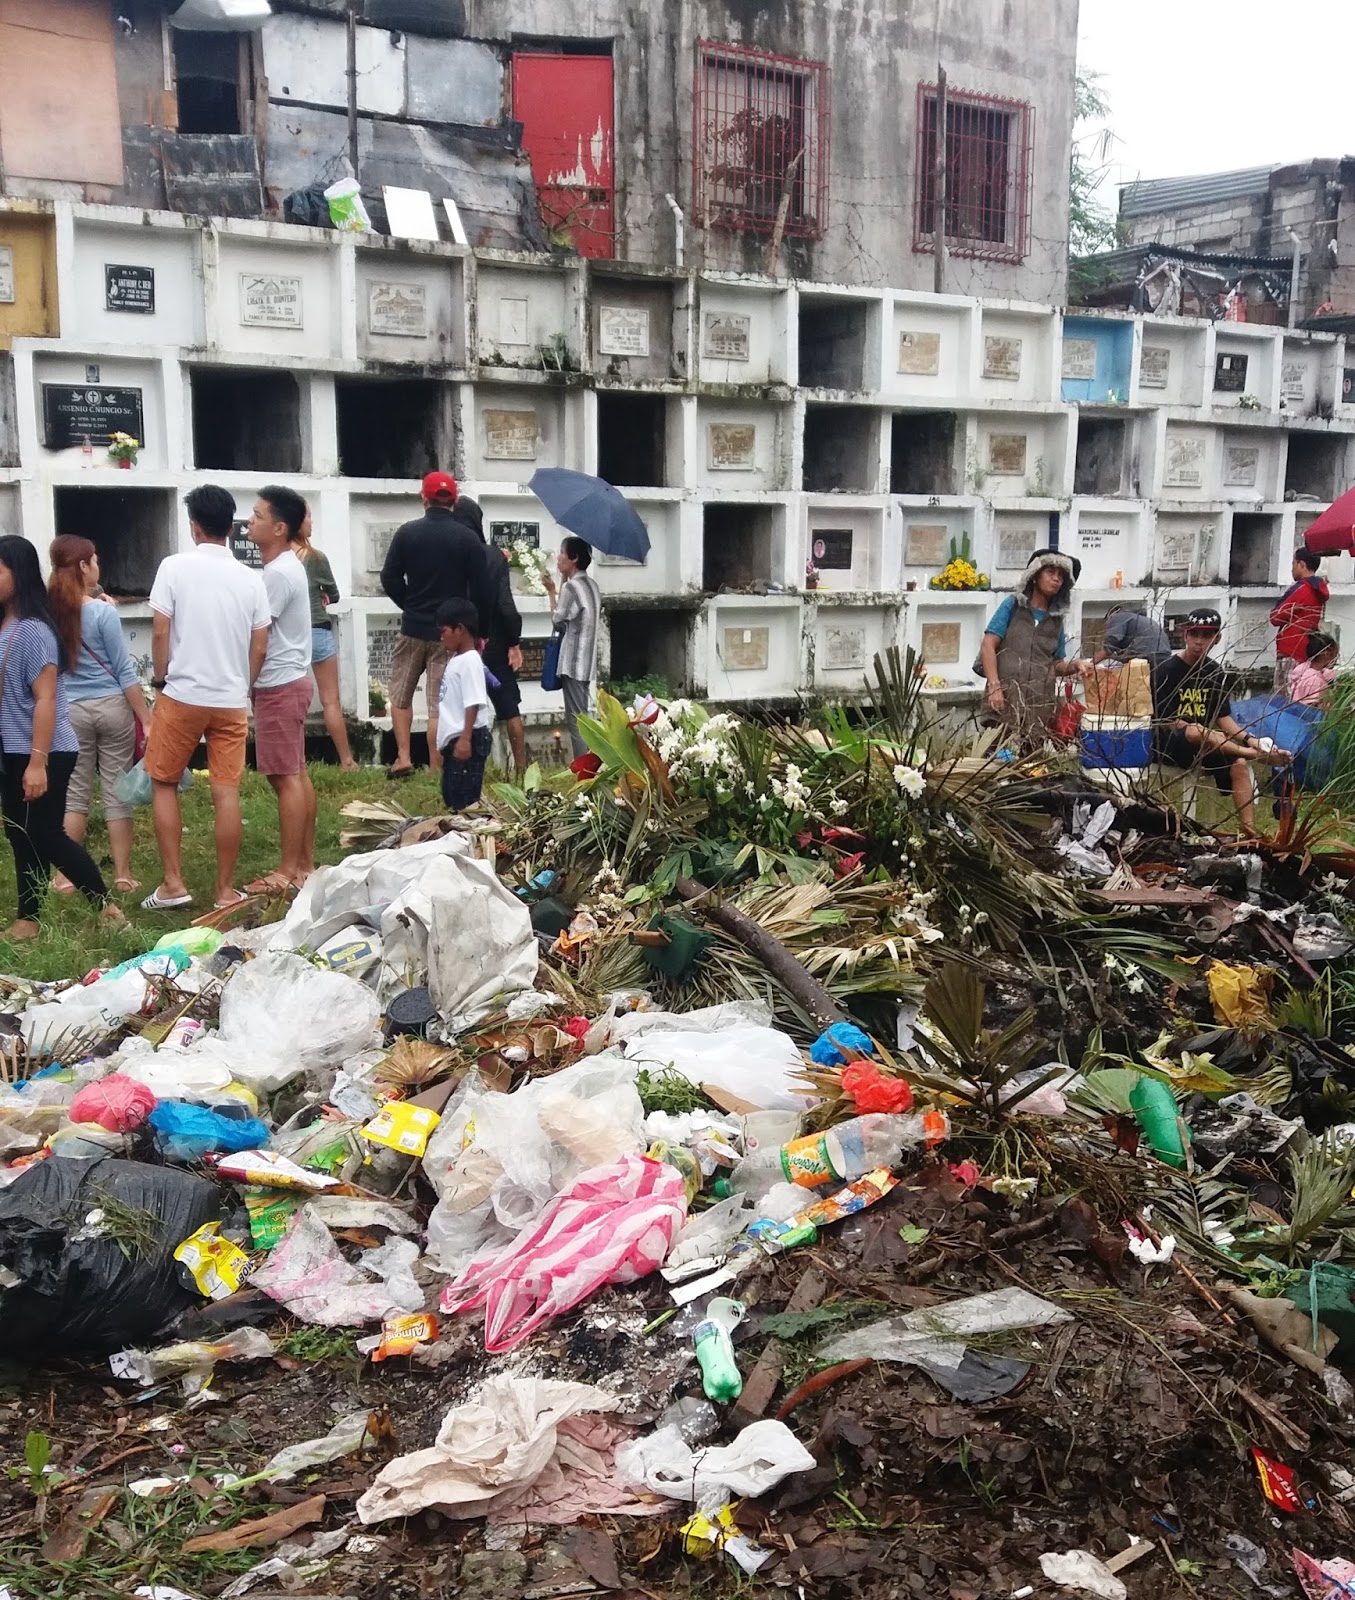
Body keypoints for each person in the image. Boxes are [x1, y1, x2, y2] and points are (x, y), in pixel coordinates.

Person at [141, 484, 270, 912]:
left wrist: (160, 681)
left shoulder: (174, 568)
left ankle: (174, 883)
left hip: (181, 693)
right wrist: (242, 685)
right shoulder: (251, 580)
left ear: (194, 526)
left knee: (163, 782)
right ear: (230, 527)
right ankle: (224, 891)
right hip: (230, 698)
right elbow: (260, 646)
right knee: (226, 790)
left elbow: (160, 631)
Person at [0, 536, 121, 940]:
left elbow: (46, 699)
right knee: (20, 832)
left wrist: (38, 761)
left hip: (45, 749)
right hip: (14, 748)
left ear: (18, 574)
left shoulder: (33, 631)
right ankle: (28, 919)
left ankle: (106, 907)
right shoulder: (7, 627)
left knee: (45, 833)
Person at [46, 535, 150, 895]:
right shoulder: (103, 612)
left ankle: (63, 878)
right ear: (84, 567)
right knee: (116, 791)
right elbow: (124, 671)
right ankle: (123, 875)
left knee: (74, 794)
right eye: (95, 560)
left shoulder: (48, 613)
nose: (98, 566)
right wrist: (147, 719)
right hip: (112, 708)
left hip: (70, 711)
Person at [380, 471, 493, 778]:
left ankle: (403, 757)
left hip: (413, 627)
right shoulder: (468, 539)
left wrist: (410, 604)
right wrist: (478, 632)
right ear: (454, 502)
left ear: (424, 498)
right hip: (451, 634)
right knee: (438, 704)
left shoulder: (407, 533)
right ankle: (434, 767)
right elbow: (482, 590)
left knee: (400, 694)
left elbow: (389, 578)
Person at [1151, 607, 1291, 836]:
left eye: (1206, 635)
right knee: (1195, 730)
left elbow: (1223, 718)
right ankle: (1254, 756)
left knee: (1238, 764)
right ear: (1185, 635)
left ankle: (1249, 833)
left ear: (1217, 638)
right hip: (1169, 742)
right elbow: (1168, 721)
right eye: (1194, 634)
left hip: (1206, 742)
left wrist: (1250, 739)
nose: (1198, 641)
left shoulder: (1214, 673)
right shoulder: (1166, 669)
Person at [246, 485, 316, 892]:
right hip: (290, 678)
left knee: (285, 777)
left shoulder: (278, 574)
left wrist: (245, 684)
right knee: (295, 773)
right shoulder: (285, 567)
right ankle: (303, 865)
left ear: (279, 527)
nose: (250, 522)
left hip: (278, 682)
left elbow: (259, 636)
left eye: (257, 516)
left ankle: (288, 871)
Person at [979, 549, 1089, 745]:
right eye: (1050, 572)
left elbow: (1056, 664)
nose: (1056, 579)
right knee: (995, 762)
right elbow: (988, 644)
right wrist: (994, 687)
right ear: (1035, 576)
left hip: (1038, 710)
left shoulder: (1056, 621)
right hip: (1004, 700)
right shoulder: (1012, 606)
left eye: (1061, 576)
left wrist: (1076, 665)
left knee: (1031, 767)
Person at [454, 495, 527, 776]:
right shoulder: (494, 555)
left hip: (459, 643)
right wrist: (513, 641)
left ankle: (463, 769)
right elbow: (505, 605)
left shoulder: (452, 554)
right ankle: (521, 770)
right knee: (508, 705)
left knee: (462, 708)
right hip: (493, 642)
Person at [293, 505, 359, 771]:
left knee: (293, 700)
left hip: (292, 634)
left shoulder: (279, 557)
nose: (312, 524)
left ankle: (297, 761)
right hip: (318, 629)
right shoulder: (315, 557)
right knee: (330, 700)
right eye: (309, 517)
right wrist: (324, 597)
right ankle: (346, 760)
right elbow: (333, 593)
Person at [543, 536, 601, 760]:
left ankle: (583, 770)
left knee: (577, 720)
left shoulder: (572, 587)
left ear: (574, 558)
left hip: (574, 663)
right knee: (583, 716)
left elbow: (558, 620)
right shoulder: (591, 585)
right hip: (586, 662)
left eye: (562, 552)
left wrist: (551, 592)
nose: (558, 557)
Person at [435, 598, 493, 811]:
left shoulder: (469, 661)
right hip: (456, 739)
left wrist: (465, 738)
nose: (441, 638)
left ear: (459, 629)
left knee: (464, 801)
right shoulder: (458, 659)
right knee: (451, 794)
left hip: (467, 736)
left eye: (444, 631)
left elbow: (473, 702)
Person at [1270, 548, 1329, 695]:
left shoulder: (1303, 589)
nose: (1292, 568)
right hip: (1306, 648)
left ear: (1301, 565)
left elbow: (1276, 617)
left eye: (1293, 564)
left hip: (1291, 649)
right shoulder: (1318, 589)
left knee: (1285, 700)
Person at [1092, 604, 1172, 666]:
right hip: (1165, 656)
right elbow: (1127, 656)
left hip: (1148, 658)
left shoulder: (1118, 617)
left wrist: (1091, 664)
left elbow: (1111, 644)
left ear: (1110, 615)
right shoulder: (1137, 619)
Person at [1289, 630, 1338, 708]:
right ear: (1327, 653)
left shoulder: (1302, 674)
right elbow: (1317, 709)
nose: (1336, 659)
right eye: (1336, 655)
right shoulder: (1316, 681)